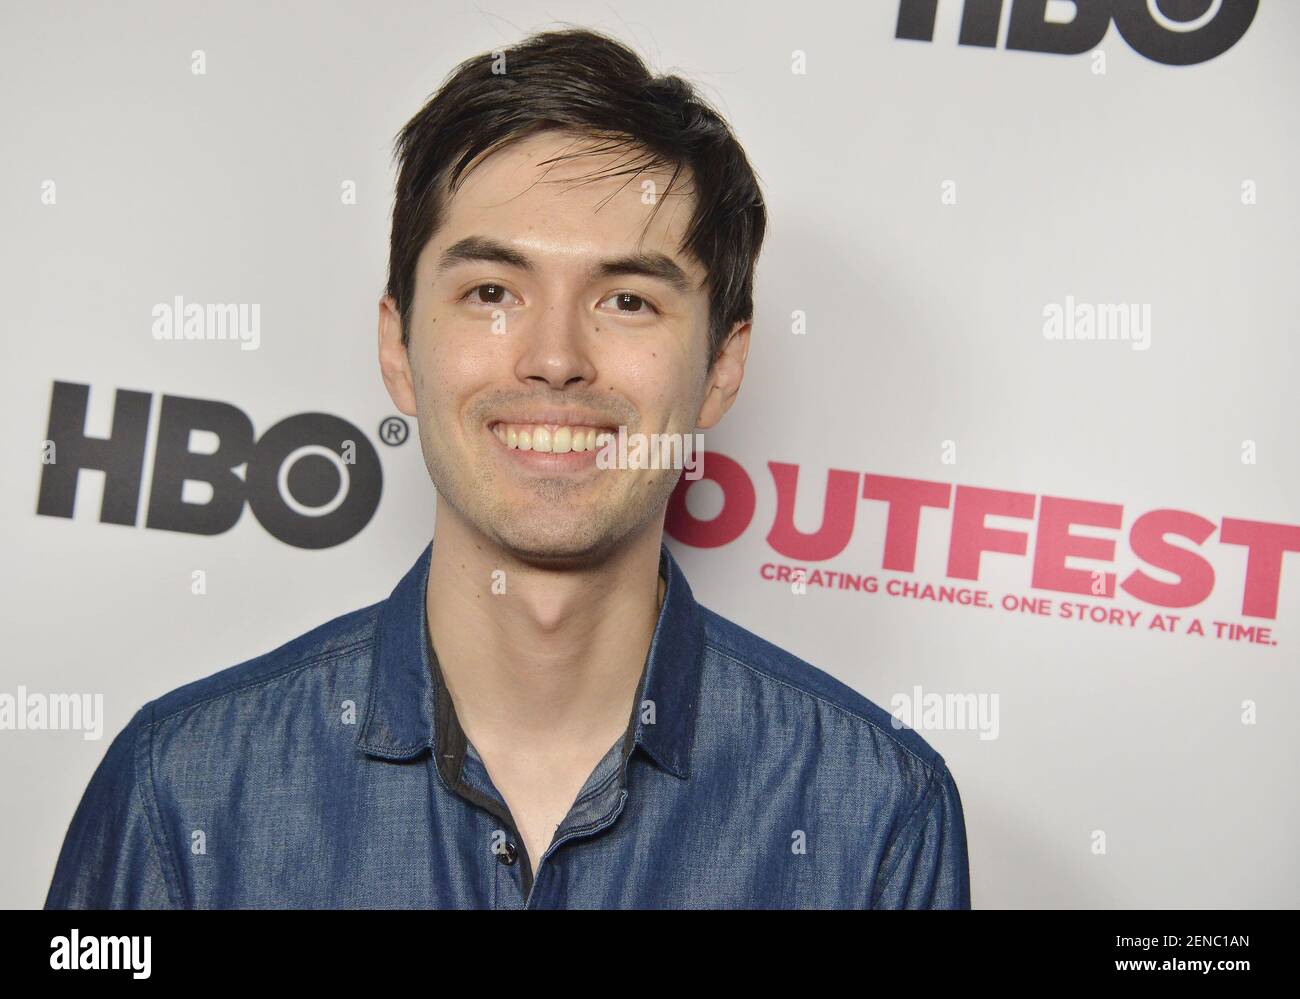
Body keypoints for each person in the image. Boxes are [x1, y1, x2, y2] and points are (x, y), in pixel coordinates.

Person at [45, 27, 970, 909]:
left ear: (721, 368)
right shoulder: (184, 790)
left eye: (628, 299)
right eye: (492, 292)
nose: (555, 356)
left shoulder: (877, 813)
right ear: (400, 348)